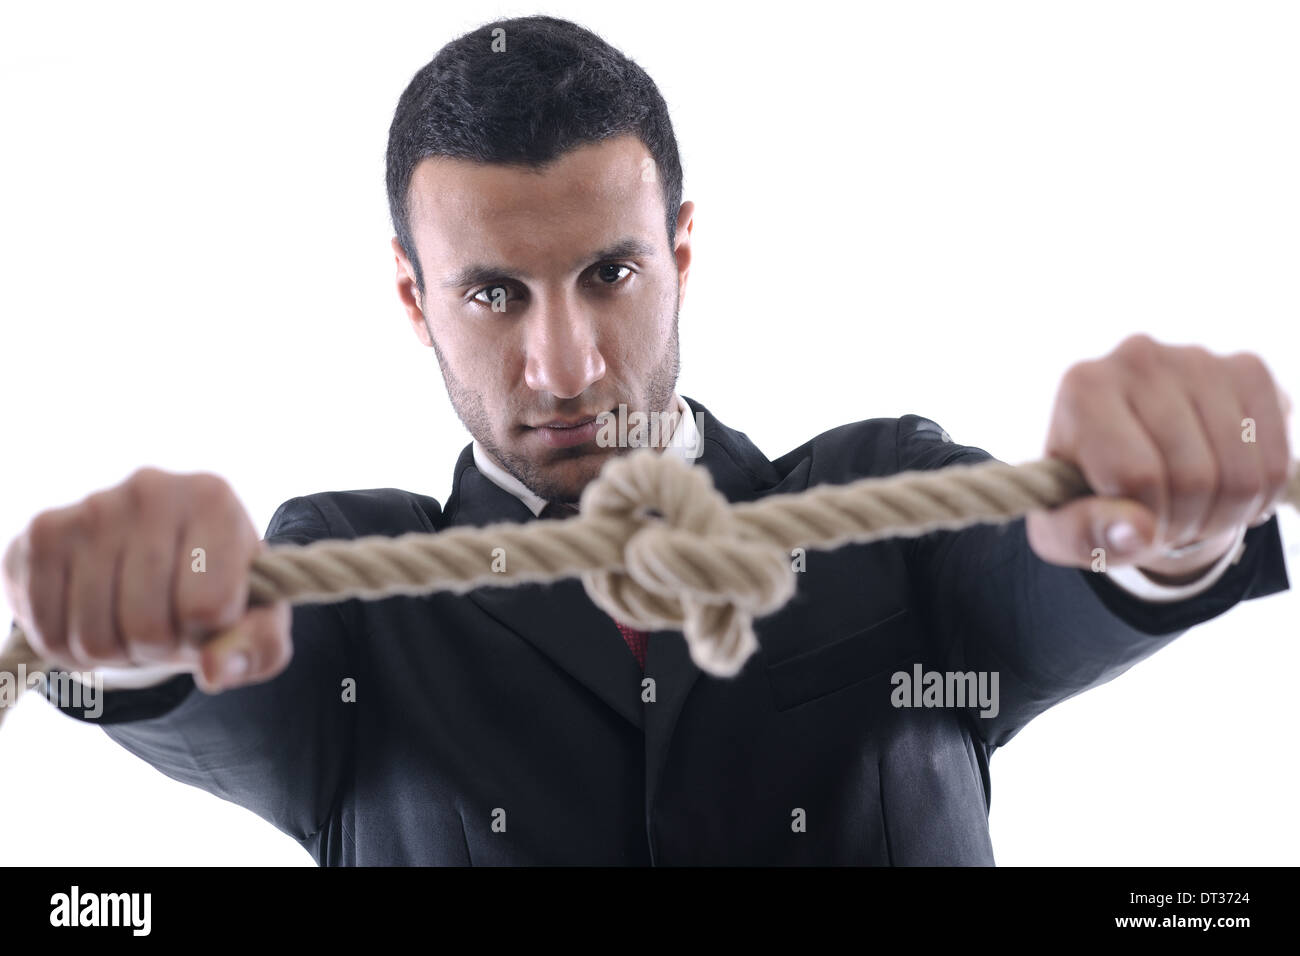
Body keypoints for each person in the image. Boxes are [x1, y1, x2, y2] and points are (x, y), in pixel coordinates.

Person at [3, 15, 1291, 865]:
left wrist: (1157, 523)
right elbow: (223, 695)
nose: (566, 366)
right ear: (416, 299)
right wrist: (128, 638)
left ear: (680, 251)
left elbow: (1052, 582)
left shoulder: (887, 500)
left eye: (610, 274)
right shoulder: (349, 580)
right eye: (495, 293)